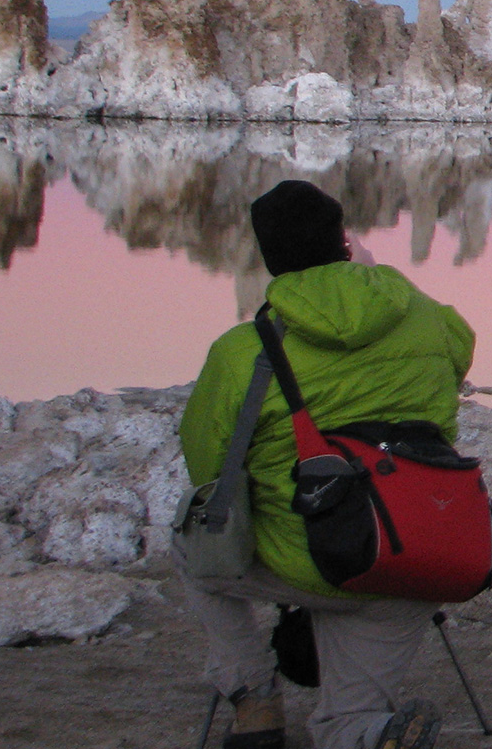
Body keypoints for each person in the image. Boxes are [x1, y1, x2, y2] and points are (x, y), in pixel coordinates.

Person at [177, 180, 475, 749]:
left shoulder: (244, 352)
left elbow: (207, 466)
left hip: (308, 556)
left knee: (189, 534)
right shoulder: (429, 318)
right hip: (413, 552)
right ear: (345, 240)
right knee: (348, 726)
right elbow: (459, 355)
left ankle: (255, 702)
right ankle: (373, 732)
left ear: (269, 258)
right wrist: (366, 278)